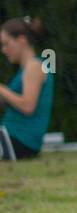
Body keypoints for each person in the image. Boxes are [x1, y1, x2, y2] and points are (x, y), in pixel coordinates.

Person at [0, 17, 53, 161]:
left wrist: (2, 89)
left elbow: (28, 106)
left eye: (6, 44)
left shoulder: (34, 67)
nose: (3, 50)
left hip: (18, 142)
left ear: (21, 41)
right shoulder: (25, 69)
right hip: (13, 138)